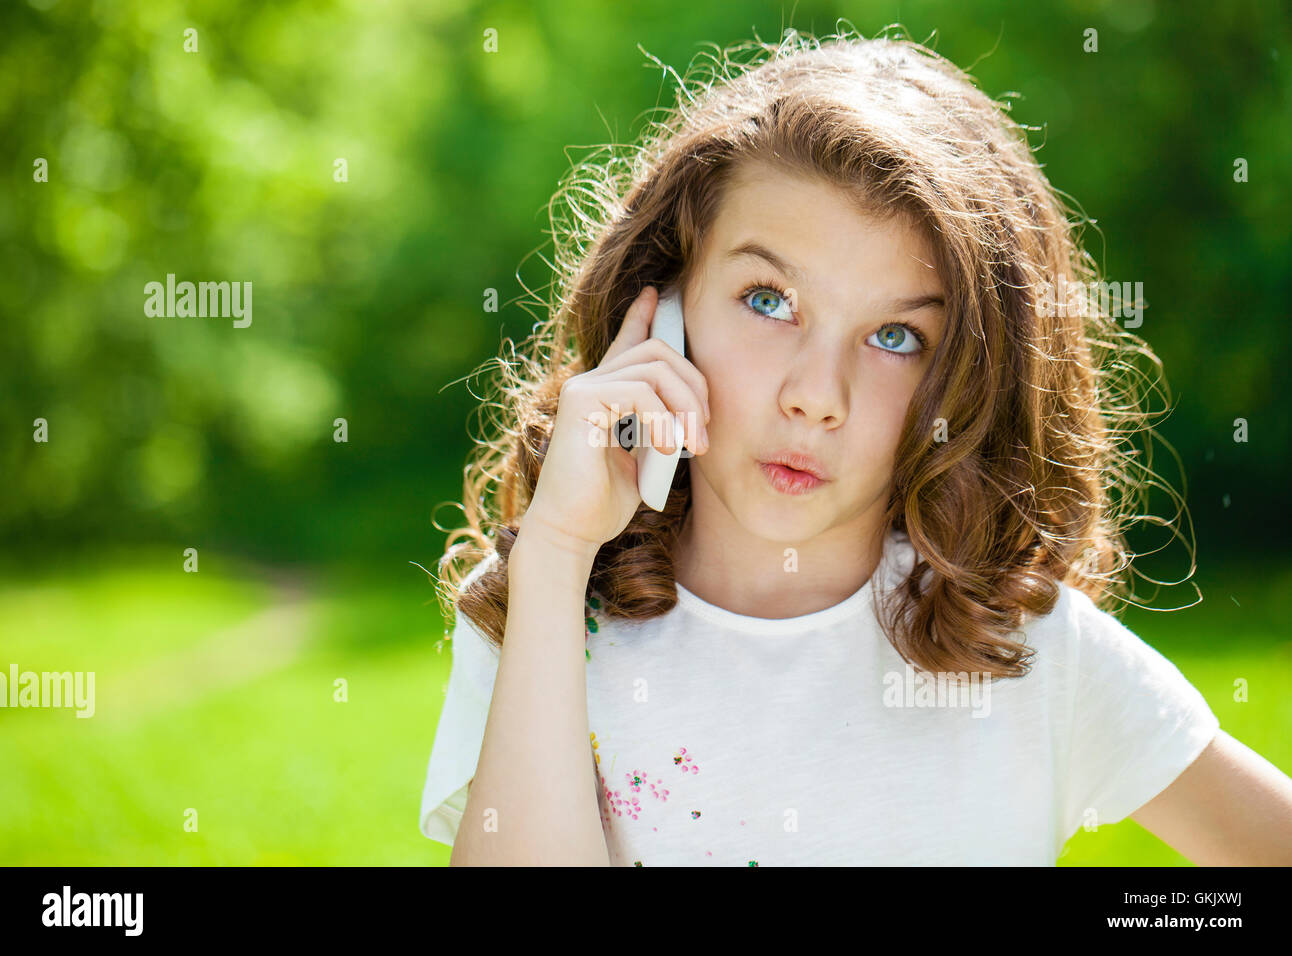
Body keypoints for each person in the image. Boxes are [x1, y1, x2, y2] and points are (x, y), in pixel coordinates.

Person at [419, 28, 1292, 865]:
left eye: (896, 337)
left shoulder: (1024, 649)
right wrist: (560, 550)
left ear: (964, 381)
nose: (816, 396)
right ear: (666, 306)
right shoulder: (541, 614)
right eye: (768, 300)